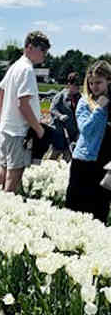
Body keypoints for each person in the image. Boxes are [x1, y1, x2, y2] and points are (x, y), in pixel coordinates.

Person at [0, 30, 50, 193]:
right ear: (30, 47)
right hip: (19, 132)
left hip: (6, 129)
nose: (44, 55)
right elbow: (23, 104)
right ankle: (3, 212)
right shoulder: (27, 70)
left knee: (3, 172)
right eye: (43, 50)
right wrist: (39, 129)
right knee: (14, 175)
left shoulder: (15, 67)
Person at [65, 60, 111, 224]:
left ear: (108, 81)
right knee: (75, 211)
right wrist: (100, 108)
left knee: (99, 211)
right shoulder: (85, 102)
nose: (94, 87)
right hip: (85, 162)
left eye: (99, 82)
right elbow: (86, 129)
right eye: (91, 83)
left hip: (105, 165)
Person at [49, 72, 81, 160]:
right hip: (59, 131)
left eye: (79, 85)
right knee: (56, 153)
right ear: (69, 84)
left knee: (69, 155)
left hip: (72, 133)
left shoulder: (79, 98)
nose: (78, 87)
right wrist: (60, 116)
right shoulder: (60, 96)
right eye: (75, 85)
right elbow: (52, 109)